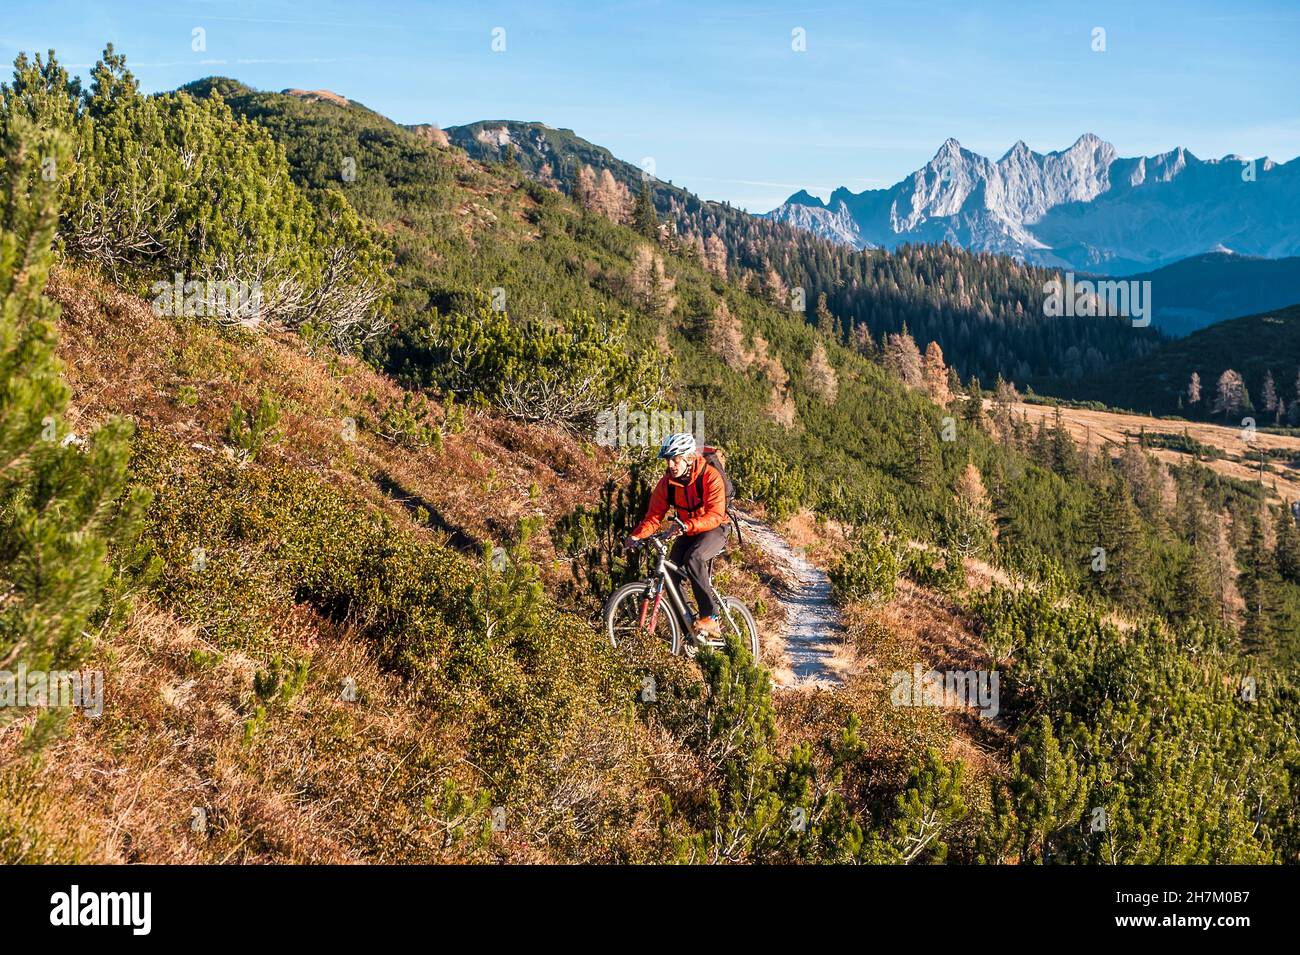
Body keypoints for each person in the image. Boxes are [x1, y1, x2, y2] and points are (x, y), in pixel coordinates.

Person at [623, 432, 728, 641]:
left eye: (675, 459)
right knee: (671, 574)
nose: (670, 464)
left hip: (715, 528)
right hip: (686, 530)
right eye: (667, 459)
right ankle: (689, 628)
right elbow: (653, 517)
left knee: (694, 558)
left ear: (689, 458)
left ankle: (711, 616)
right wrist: (636, 536)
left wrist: (687, 525)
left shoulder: (710, 477)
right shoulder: (667, 484)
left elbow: (715, 515)